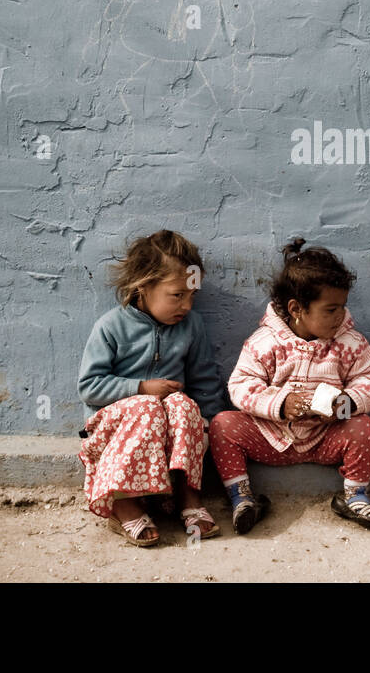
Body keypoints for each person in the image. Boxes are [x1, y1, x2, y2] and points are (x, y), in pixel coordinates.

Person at [209, 238, 370, 533]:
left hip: (324, 437)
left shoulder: (349, 343)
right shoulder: (265, 342)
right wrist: (280, 403)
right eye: (330, 309)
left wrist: (347, 403)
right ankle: (242, 497)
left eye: (342, 307)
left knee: (364, 427)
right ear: (296, 308)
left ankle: (354, 496)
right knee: (222, 425)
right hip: (271, 437)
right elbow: (240, 384)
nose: (339, 315)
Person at [76, 230, 225, 546]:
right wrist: (141, 387)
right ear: (142, 287)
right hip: (114, 432)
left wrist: (207, 427)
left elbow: (205, 381)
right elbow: (89, 386)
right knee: (146, 405)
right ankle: (122, 502)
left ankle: (188, 497)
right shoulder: (111, 327)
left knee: (184, 404)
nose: (186, 305)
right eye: (176, 295)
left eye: (192, 295)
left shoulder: (191, 326)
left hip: (166, 433)